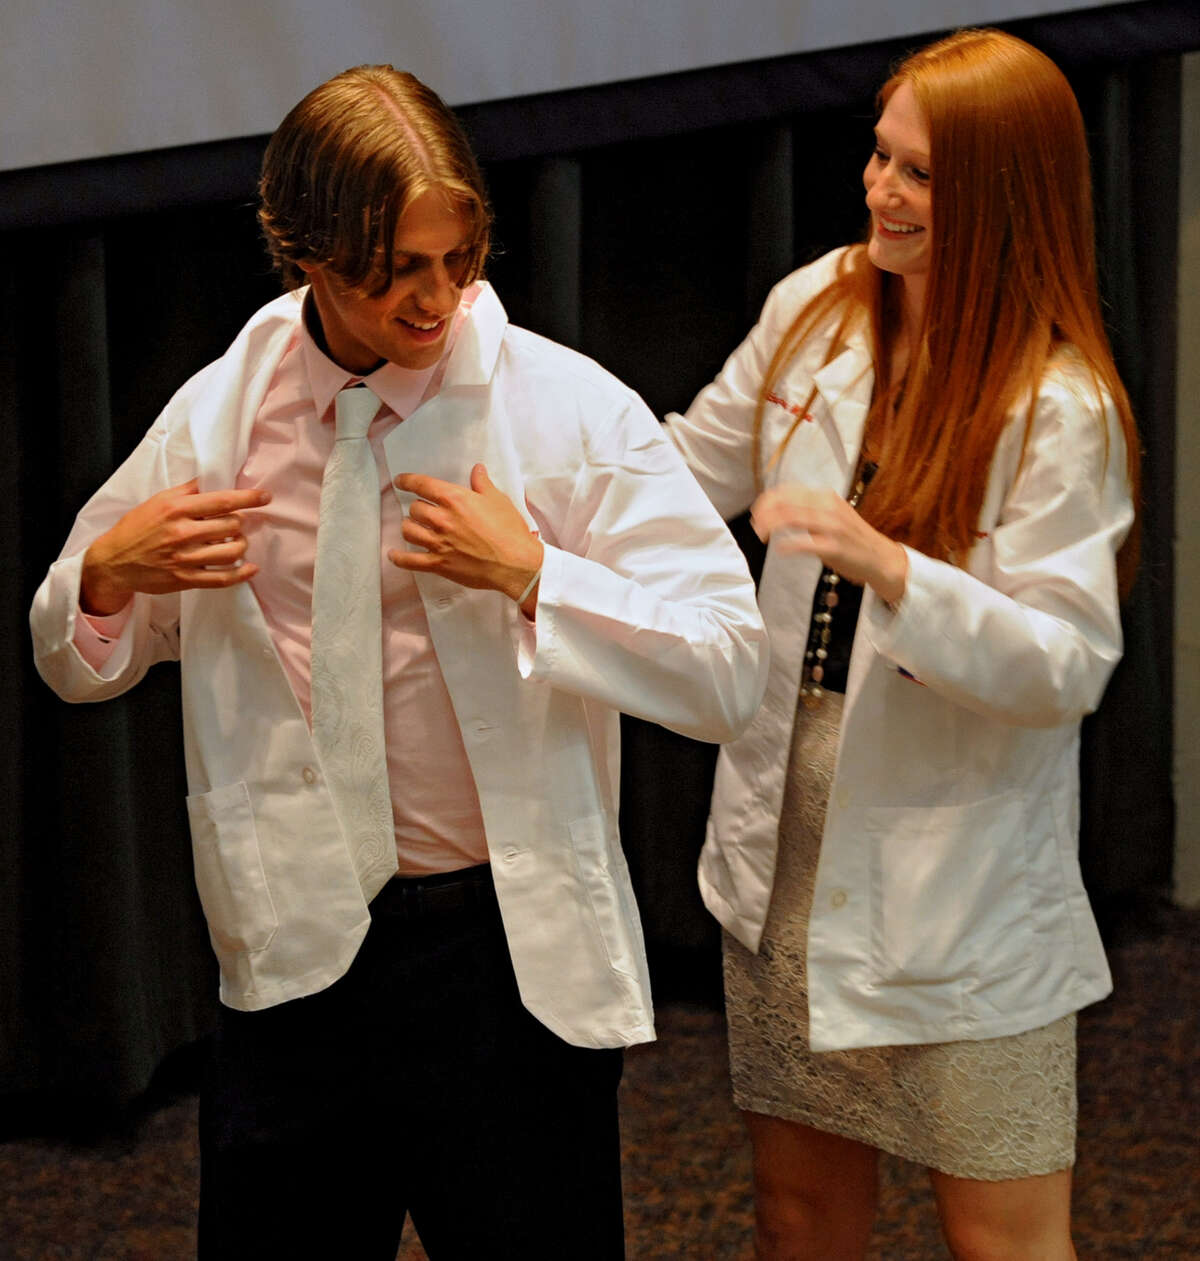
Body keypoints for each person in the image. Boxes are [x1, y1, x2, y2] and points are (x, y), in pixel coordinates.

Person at [29, 65, 767, 1259]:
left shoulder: (566, 413)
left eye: (460, 258)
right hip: (294, 951)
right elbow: (75, 659)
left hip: (500, 963)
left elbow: (734, 670)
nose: (440, 302)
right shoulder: (216, 418)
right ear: (305, 254)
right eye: (397, 271)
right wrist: (110, 577)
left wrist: (540, 578)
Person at [665, 28, 1139, 1261]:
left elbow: (1065, 662)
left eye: (920, 173)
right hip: (791, 861)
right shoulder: (815, 308)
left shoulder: (1058, 402)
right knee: (798, 1217)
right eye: (879, 157)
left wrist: (893, 569)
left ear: (1002, 195)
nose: (881, 190)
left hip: (962, 899)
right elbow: (677, 473)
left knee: (1003, 1240)